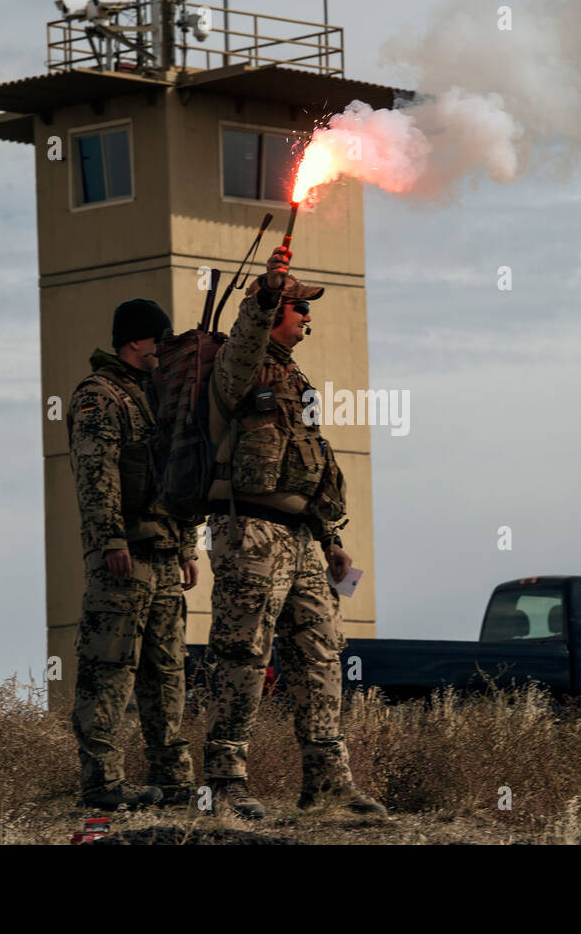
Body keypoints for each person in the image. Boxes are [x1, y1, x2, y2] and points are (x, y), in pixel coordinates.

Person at [201, 246, 386, 819]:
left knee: (321, 653)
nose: (308, 317)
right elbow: (248, 331)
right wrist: (265, 290)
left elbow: (308, 464)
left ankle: (328, 783)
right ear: (275, 309)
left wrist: (330, 537)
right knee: (243, 652)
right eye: (299, 307)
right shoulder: (239, 366)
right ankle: (225, 782)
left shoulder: (295, 378)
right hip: (249, 531)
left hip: (301, 537)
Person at [67, 298, 201, 811]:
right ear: (137, 341)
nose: (163, 352)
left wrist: (187, 544)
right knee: (108, 668)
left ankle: (173, 782)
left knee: (167, 672)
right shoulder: (98, 397)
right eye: (159, 342)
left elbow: (181, 472)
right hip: (125, 557)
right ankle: (102, 784)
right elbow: (95, 474)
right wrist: (111, 541)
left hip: (166, 554)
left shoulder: (156, 397)